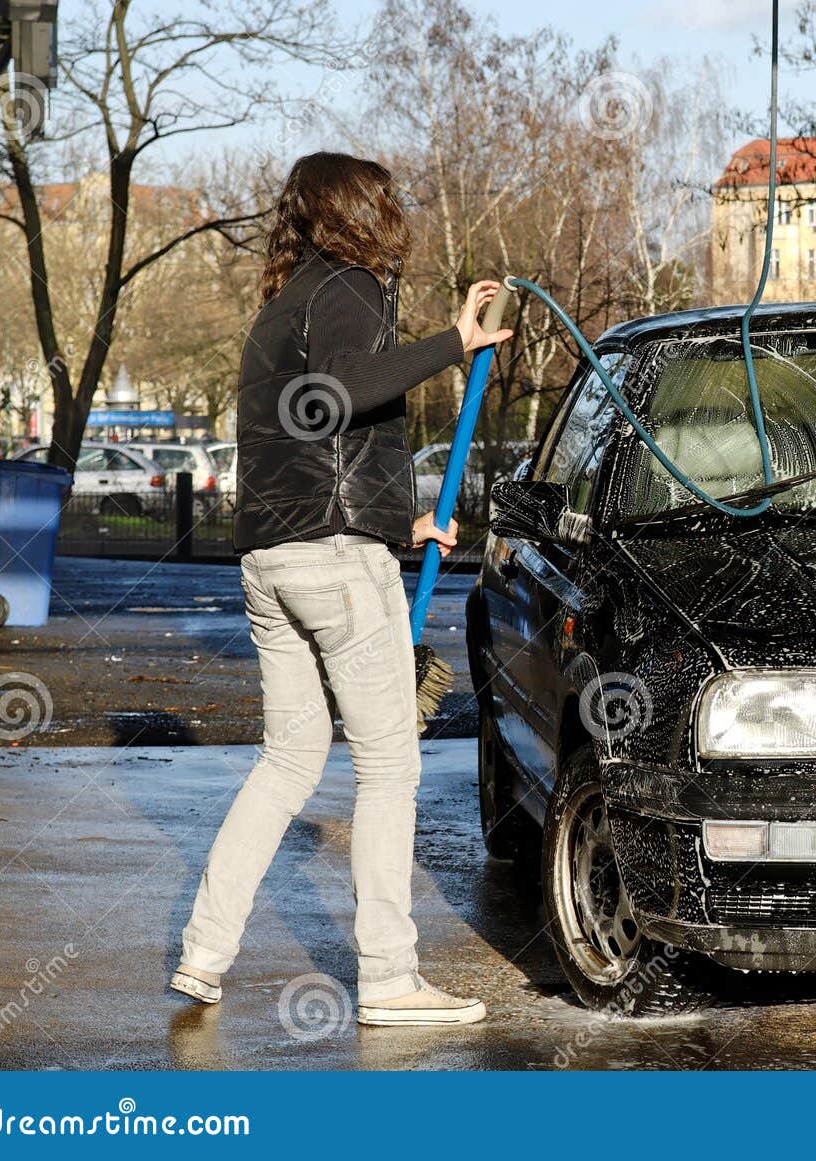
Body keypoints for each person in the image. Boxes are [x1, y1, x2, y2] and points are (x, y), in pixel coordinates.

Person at [170, 152, 511, 1027]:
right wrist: (455, 344)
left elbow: (306, 440)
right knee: (390, 765)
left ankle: (203, 954)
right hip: (333, 562)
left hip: (272, 561)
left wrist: (398, 526)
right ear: (356, 209)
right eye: (385, 198)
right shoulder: (352, 284)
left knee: (285, 762)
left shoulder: (279, 308)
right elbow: (346, 392)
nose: (395, 209)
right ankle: (391, 978)